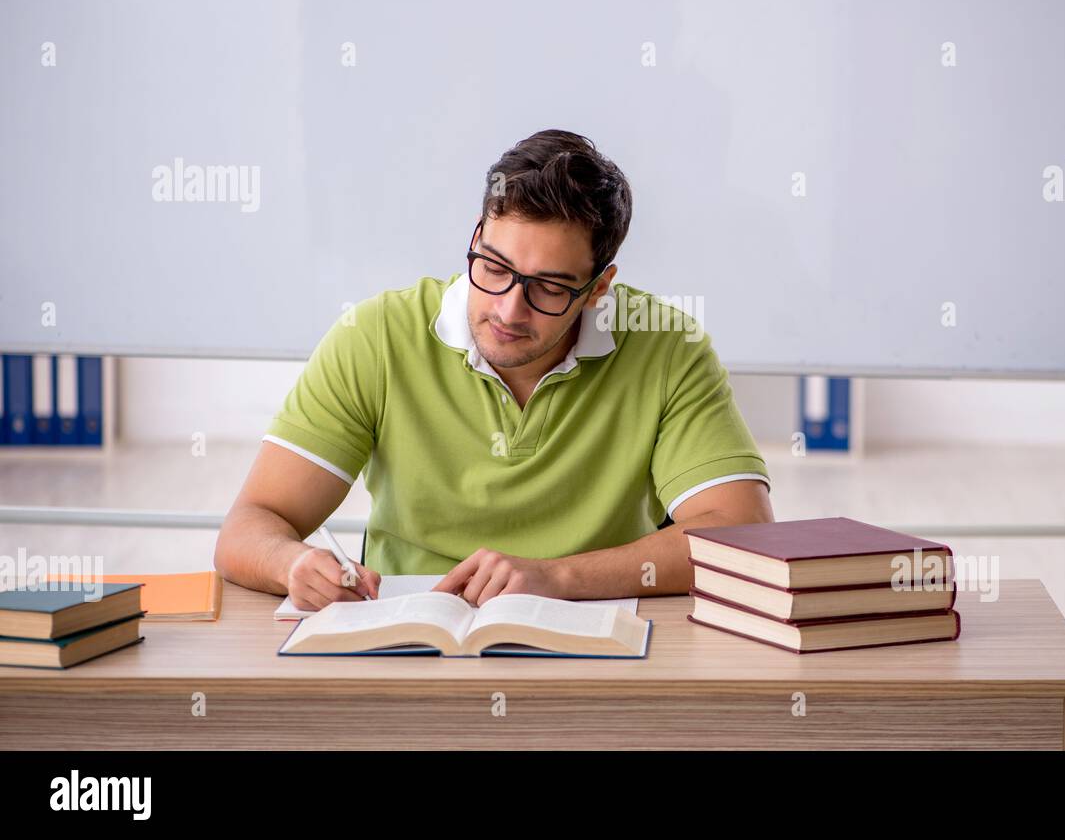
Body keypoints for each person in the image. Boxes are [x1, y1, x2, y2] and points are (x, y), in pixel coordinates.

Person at [214, 129, 773, 611]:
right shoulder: (378, 336)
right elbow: (250, 525)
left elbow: (741, 533)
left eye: (550, 287)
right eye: (495, 267)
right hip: (407, 637)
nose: (509, 309)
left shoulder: (667, 346)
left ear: (599, 287)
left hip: (595, 641)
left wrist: (556, 578)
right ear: (476, 236)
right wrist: (292, 564)